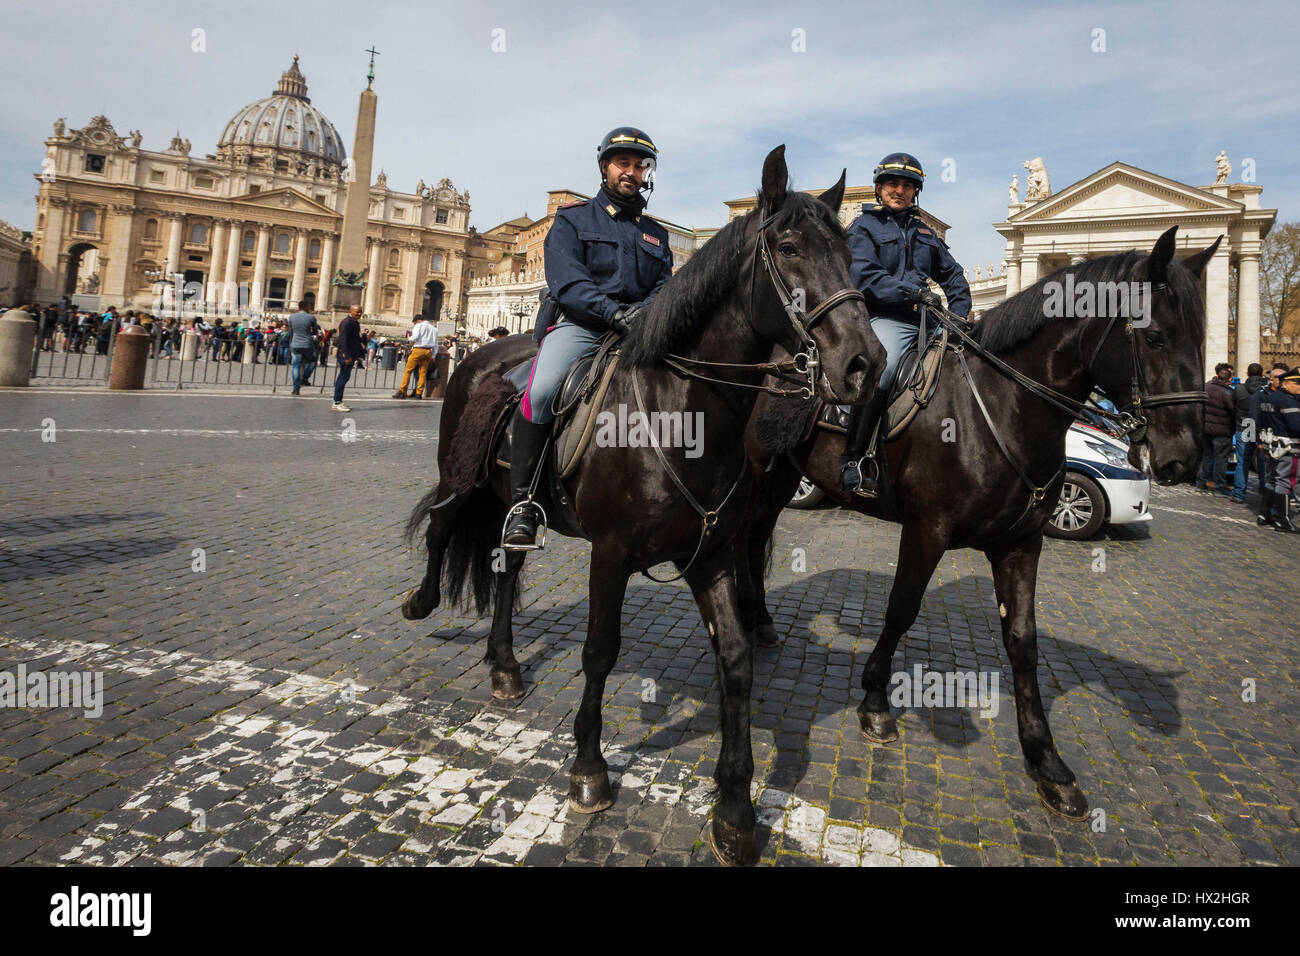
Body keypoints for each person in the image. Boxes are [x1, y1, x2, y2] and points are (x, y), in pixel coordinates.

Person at [503, 125, 673, 549]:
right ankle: (522, 504)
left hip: (640, 331)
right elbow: (567, 281)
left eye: (639, 165)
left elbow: (663, 286)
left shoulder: (657, 233)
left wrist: (645, 314)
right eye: (623, 163)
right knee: (541, 390)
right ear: (605, 167)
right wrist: (613, 312)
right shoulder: (573, 220)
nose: (631, 172)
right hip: (584, 326)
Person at [841, 152, 971, 496]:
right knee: (882, 370)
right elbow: (865, 275)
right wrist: (913, 291)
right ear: (879, 189)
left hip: (929, 319)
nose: (900, 190)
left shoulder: (924, 230)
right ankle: (854, 458)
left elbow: (953, 274)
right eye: (893, 184)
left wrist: (959, 314)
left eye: (908, 186)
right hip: (885, 317)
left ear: (916, 192)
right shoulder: (863, 227)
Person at [1256, 366, 1300, 531]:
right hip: (1288, 446)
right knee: (1286, 482)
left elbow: (1258, 419)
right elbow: (1296, 427)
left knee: (1272, 480)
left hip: (1271, 445)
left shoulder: (1270, 398)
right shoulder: (1288, 401)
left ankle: (1264, 514)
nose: (1299, 386)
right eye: (1296, 383)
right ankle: (1283, 519)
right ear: (1285, 384)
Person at [1231, 362, 1269, 503]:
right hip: (1262, 427)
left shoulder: (1239, 389)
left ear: (1247, 373)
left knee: (1243, 462)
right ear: (1262, 373)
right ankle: (1265, 494)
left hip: (1245, 426)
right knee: (1264, 463)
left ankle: (1238, 494)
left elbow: (1232, 407)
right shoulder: (1267, 390)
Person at [1198, 362, 1236, 494]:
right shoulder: (1227, 392)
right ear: (1229, 378)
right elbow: (1233, 411)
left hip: (1205, 428)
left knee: (1206, 457)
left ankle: (1201, 482)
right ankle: (1219, 485)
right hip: (1222, 430)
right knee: (1221, 459)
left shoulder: (1205, 387)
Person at [393, 313, 437, 399]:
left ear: (418, 320)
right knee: (423, 373)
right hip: (428, 351)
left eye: (414, 323)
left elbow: (415, 337)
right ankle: (419, 393)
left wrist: (409, 338)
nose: (414, 325)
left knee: (408, 370)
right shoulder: (434, 328)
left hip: (418, 350)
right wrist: (433, 356)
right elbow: (435, 344)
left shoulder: (419, 326)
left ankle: (402, 391)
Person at [333, 304, 365, 412]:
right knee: (342, 378)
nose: (359, 313)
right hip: (346, 354)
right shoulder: (346, 323)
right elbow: (343, 340)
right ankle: (337, 402)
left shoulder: (354, 322)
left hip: (351, 354)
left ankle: (338, 401)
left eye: (360, 311)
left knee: (344, 377)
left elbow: (355, 340)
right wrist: (347, 356)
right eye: (357, 311)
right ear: (350, 311)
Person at [287, 300, 321, 395]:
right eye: (309, 306)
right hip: (307, 344)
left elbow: (291, 331)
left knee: (296, 366)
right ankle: (305, 378)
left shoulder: (292, 317)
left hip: (295, 344)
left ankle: (295, 388)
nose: (310, 308)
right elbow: (314, 331)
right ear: (306, 307)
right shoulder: (311, 318)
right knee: (312, 361)